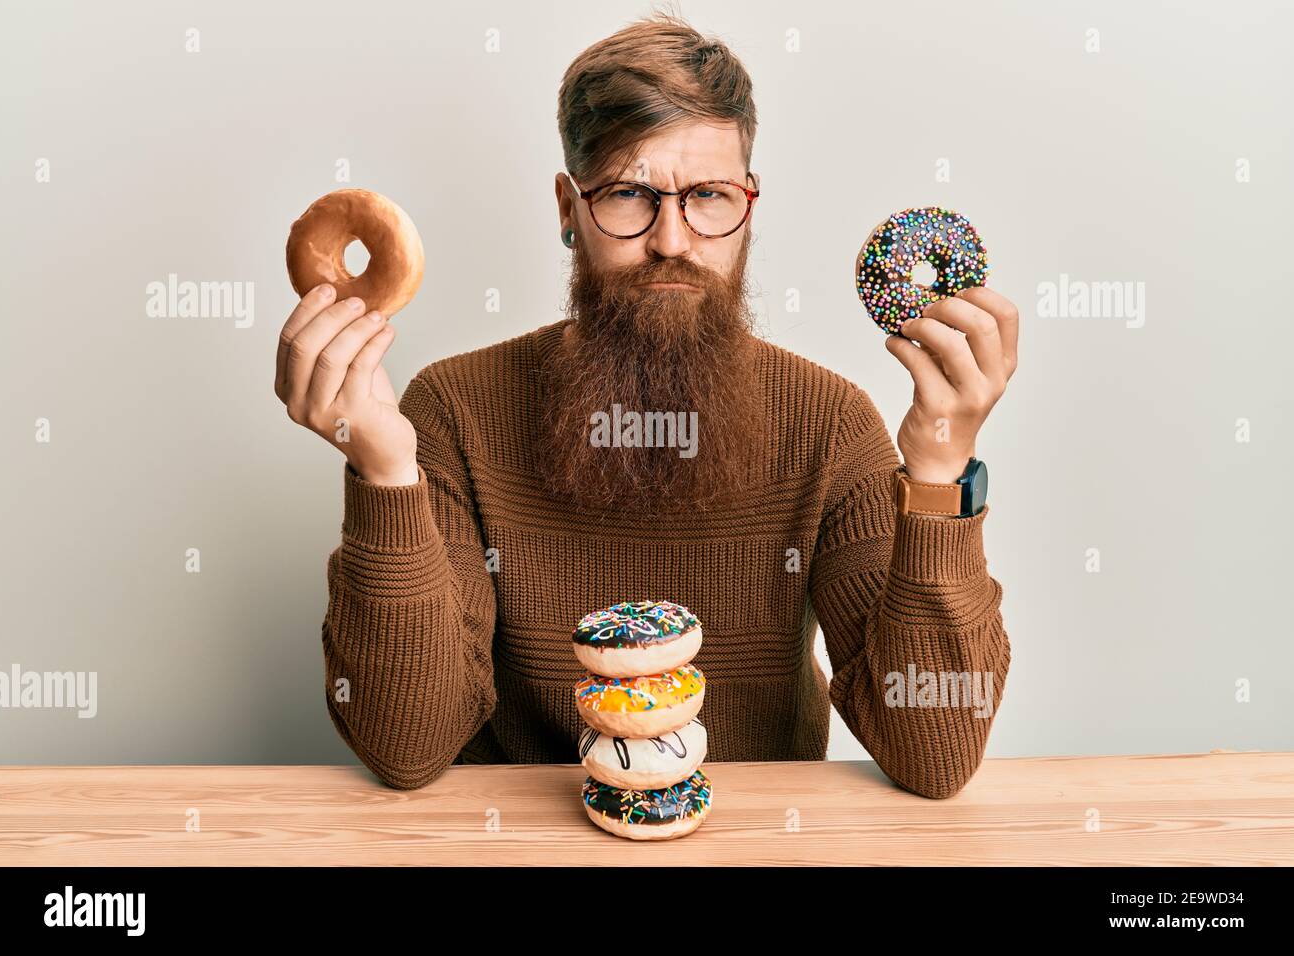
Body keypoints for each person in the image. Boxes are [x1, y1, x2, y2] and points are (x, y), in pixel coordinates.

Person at [273, 13, 1018, 798]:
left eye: (708, 196)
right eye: (629, 195)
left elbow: (932, 755)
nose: (672, 238)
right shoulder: (455, 411)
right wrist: (385, 472)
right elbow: (404, 744)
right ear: (569, 208)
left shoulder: (830, 425)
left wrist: (940, 470)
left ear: (749, 210)